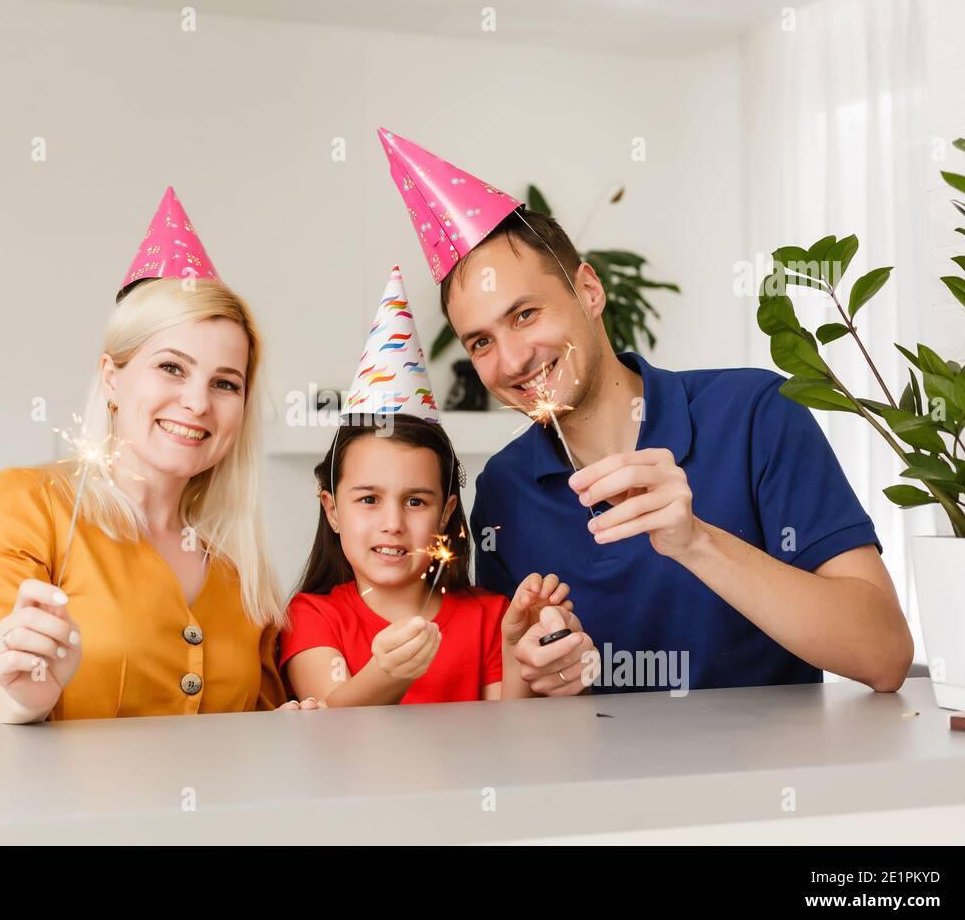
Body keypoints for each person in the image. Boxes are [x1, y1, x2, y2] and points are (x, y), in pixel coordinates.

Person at [377, 128, 913, 694]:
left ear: (587, 290)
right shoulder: (505, 488)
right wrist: (535, 673)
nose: (511, 360)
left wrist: (697, 542)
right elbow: (525, 714)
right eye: (480, 342)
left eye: (526, 314)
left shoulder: (756, 415)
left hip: (767, 781)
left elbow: (884, 656)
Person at [0, 187, 320, 723]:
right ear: (112, 377)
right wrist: (24, 697)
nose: (198, 402)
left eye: (225, 383)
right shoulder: (27, 508)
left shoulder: (238, 569)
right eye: (172, 368)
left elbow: (259, 730)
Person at [280, 268, 595, 706]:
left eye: (415, 501)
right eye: (369, 499)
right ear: (332, 509)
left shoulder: (488, 617)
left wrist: (516, 643)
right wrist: (388, 673)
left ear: (445, 513)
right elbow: (329, 722)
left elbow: (511, 737)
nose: (392, 523)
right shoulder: (312, 616)